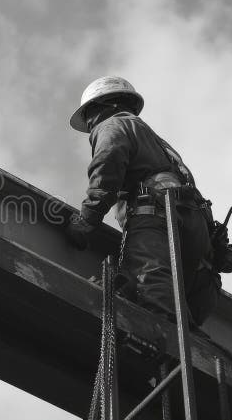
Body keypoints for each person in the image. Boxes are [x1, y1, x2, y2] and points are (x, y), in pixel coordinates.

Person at [64, 76, 222, 327]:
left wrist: (87, 219)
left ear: (104, 105)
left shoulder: (112, 125)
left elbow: (107, 167)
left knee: (150, 290)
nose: (90, 124)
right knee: (185, 307)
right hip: (195, 226)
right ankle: (191, 342)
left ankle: (163, 338)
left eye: (89, 115)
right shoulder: (156, 141)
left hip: (156, 214)